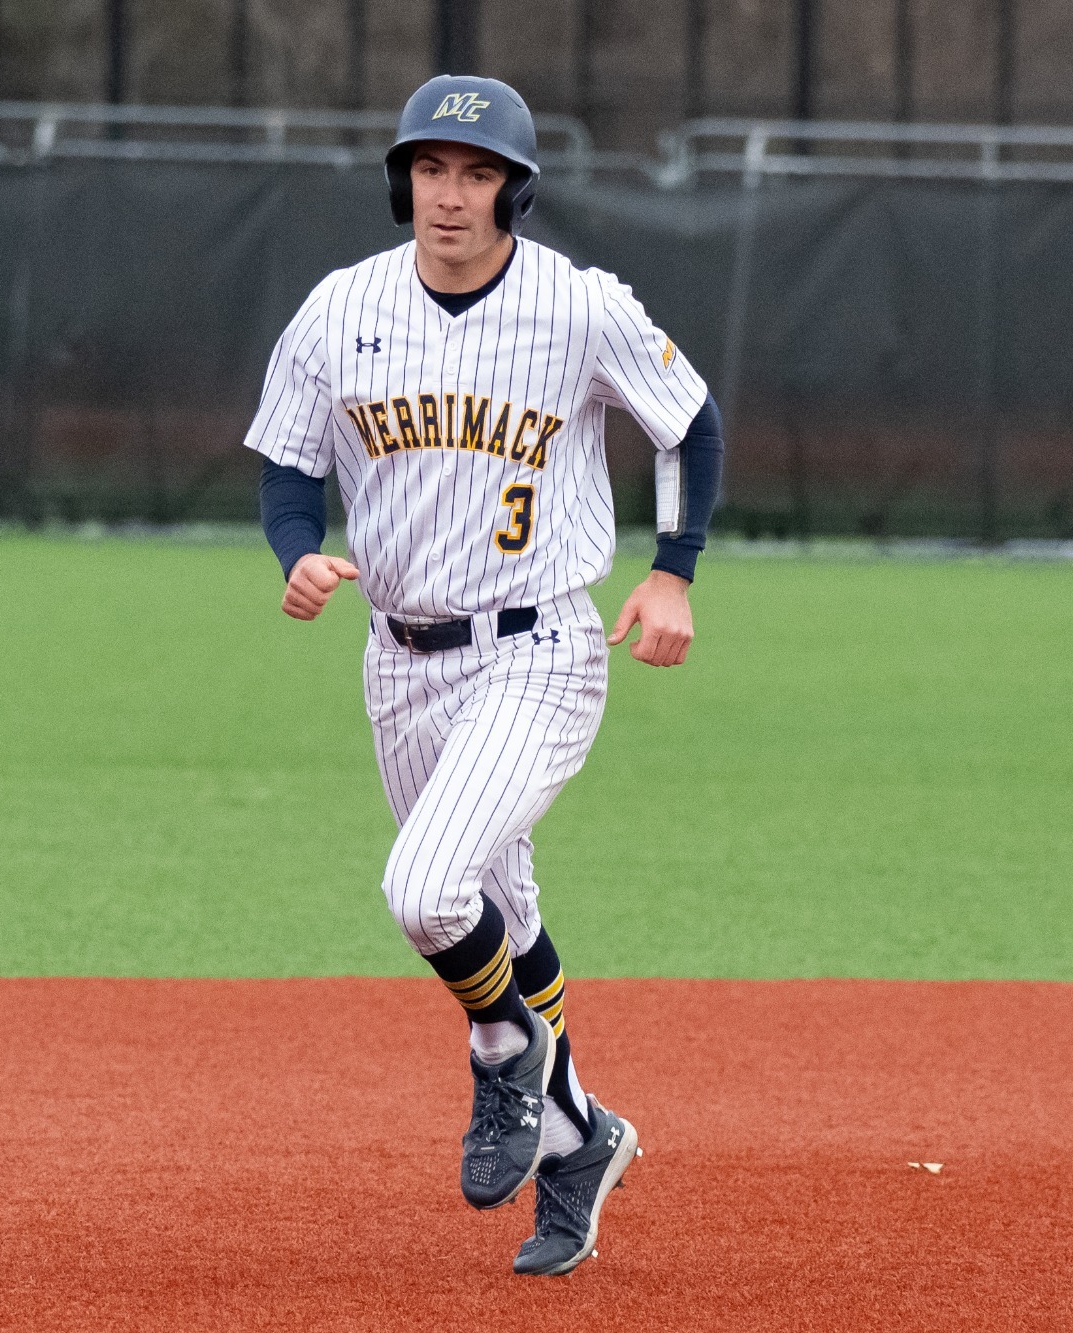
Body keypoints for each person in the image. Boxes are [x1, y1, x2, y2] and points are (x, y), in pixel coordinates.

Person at [242, 73, 724, 1276]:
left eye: (476, 174)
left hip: (540, 646)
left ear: (513, 188)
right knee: (495, 913)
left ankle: (506, 1061)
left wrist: (672, 572)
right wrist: (299, 555)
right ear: (400, 178)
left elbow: (689, 420)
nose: (449, 195)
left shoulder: (577, 305)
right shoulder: (339, 309)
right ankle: (579, 1138)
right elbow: (287, 466)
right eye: (430, 169)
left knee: (422, 891)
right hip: (399, 659)